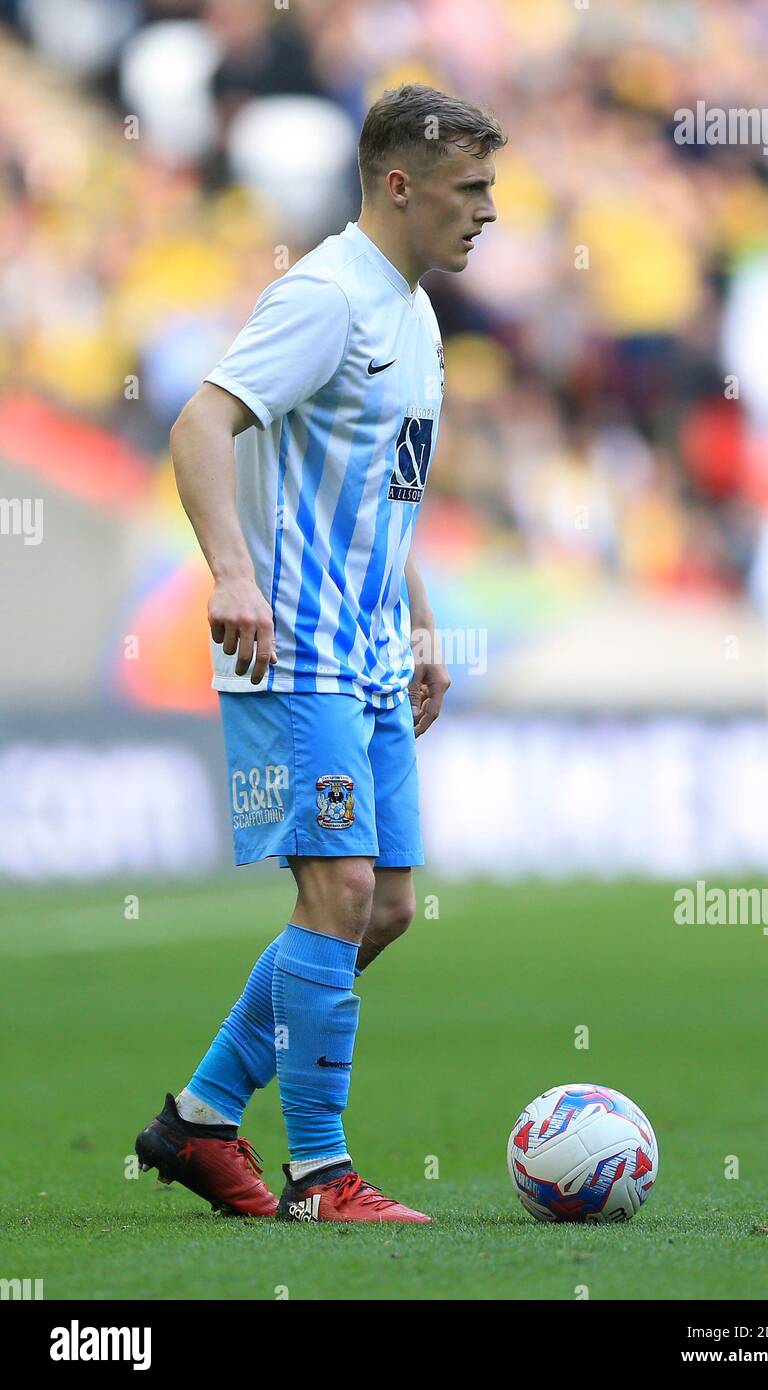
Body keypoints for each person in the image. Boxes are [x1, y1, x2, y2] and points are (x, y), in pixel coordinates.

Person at [135, 83, 504, 1222]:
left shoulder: (414, 310)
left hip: (371, 653)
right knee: (336, 888)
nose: (488, 211)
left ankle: (198, 1120)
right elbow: (201, 421)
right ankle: (319, 1174)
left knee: (382, 907)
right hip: (292, 644)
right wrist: (232, 574)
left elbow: (376, 493)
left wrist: (423, 623)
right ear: (399, 184)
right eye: (469, 188)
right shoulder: (326, 296)